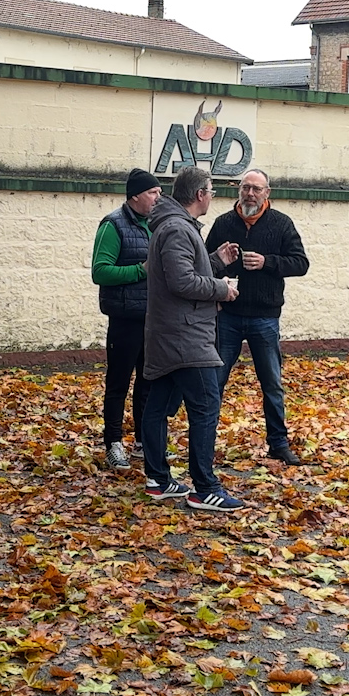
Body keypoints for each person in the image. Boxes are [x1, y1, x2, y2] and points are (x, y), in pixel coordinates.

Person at [138, 167, 244, 513]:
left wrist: (215, 261)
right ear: (200, 194)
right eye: (211, 191)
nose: (212, 197)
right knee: (206, 405)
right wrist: (222, 288)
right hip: (185, 336)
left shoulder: (175, 227)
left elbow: (182, 271)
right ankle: (205, 488)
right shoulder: (177, 228)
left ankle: (158, 480)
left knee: (157, 406)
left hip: (171, 334)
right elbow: (182, 281)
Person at [206, 168, 310, 467]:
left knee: (272, 383)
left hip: (265, 317)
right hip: (228, 315)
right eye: (246, 188)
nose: (250, 194)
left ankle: (278, 443)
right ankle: (205, 444)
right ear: (238, 190)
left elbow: (301, 263)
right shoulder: (223, 223)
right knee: (215, 381)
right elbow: (203, 262)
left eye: (256, 189)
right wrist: (220, 271)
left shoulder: (281, 223)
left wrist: (268, 262)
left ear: (267, 193)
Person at [91, 168, 160, 470]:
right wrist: (139, 270)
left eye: (159, 192)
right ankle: (113, 443)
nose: (158, 198)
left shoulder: (155, 224)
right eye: (152, 193)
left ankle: (144, 442)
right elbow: (100, 271)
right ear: (135, 196)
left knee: (148, 382)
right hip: (124, 318)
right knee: (118, 383)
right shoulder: (113, 225)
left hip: (152, 318)